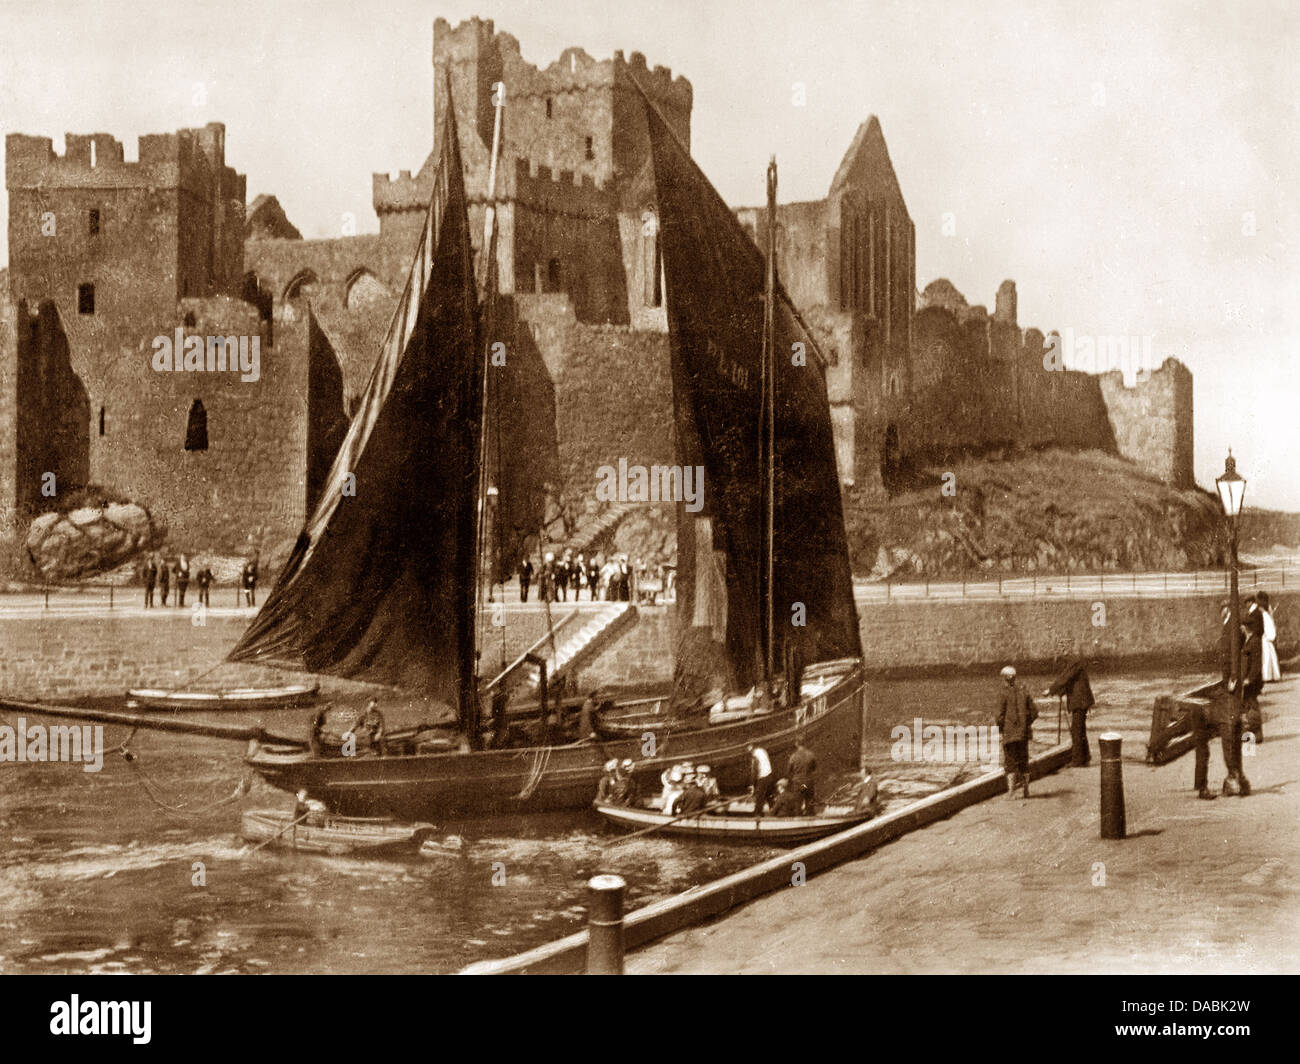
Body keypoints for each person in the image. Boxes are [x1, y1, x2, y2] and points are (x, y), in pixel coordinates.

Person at [1044, 654, 1095, 767]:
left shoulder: (1074, 663)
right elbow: (1070, 681)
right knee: (1079, 729)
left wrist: (1051, 690)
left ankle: (1077, 760)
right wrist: (1060, 692)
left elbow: (1065, 678)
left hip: (1080, 701)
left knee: (1076, 730)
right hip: (1081, 701)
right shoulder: (1075, 662)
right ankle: (1085, 756)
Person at [995, 665, 1037, 799]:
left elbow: (999, 716)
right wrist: (1026, 723)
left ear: (1004, 679)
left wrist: (1002, 728)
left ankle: (1011, 793)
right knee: (1024, 761)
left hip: (1010, 734)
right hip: (1023, 733)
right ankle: (1026, 790)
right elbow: (1035, 712)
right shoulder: (1024, 692)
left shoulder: (1003, 693)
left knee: (1010, 762)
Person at [1240, 609, 1265, 744]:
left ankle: (1257, 734)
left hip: (1253, 681)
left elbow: (1256, 663)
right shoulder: (1250, 640)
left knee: (1252, 706)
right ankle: (1254, 733)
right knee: (1249, 705)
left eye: (1243, 627)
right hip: (1250, 679)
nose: (1242, 629)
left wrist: (1249, 678)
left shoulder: (1254, 641)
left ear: (1246, 627)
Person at [1256, 591, 1282, 682]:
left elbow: (1268, 625)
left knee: (1267, 656)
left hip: (1266, 637)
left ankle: (1268, 676)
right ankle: (1270, 675)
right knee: (1270, 656)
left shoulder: (1264, 614)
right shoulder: (1266, 613)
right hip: (1267, 636)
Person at [788, 738, 817, 814]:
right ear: (805, 743)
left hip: (798, 782)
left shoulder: (793, 756)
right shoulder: (811, 754)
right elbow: (814, 767)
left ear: (796, 744)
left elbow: (789, 770)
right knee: (809, 803)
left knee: (798, 803)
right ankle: (811, 820)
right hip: (809, 781)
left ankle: (798, 821)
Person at [748, 743, 775, 817]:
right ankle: (775, 811)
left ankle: (757, 816)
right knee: (769, 796)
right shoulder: (763, 751)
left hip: (763, 778)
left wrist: (753, 785)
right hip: (770, 775)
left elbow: (754, 771)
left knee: (759, 798)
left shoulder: (755, 756)